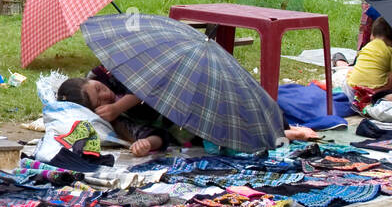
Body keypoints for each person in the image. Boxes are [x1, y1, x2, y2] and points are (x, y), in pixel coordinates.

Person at [59, 67, 319, 157]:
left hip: (188, 90)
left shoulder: (107, 73)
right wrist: (144, 143)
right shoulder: (115, 120)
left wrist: (118, 105)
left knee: (231, 110)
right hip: (180, 121)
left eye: (97, 88)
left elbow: (152, 81)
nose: (104, 94)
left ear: (89, 79)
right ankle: (283, 134)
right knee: (217, 141)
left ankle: (281, 129)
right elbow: (157, 135)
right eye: (99, 101)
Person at [344, 18, 392, 111]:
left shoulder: (366, 47)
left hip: (354, 90)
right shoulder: (390, 51)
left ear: (372, 36)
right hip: (373, 91)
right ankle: (383, 98)